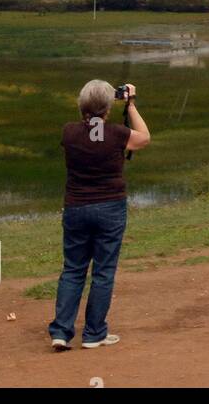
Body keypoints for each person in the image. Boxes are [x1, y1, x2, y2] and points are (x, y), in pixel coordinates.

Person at [48, 80, 150, 351]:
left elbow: (90, 131)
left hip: (76, 207)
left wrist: (99, 115)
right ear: (108, 106)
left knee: (73, 269)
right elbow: (144, 137)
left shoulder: (69, 132)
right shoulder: (117, 134)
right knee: (103, 272)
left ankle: (61, 331)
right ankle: (94, 334)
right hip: (110, 208)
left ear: (81, 104)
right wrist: (130, 105)